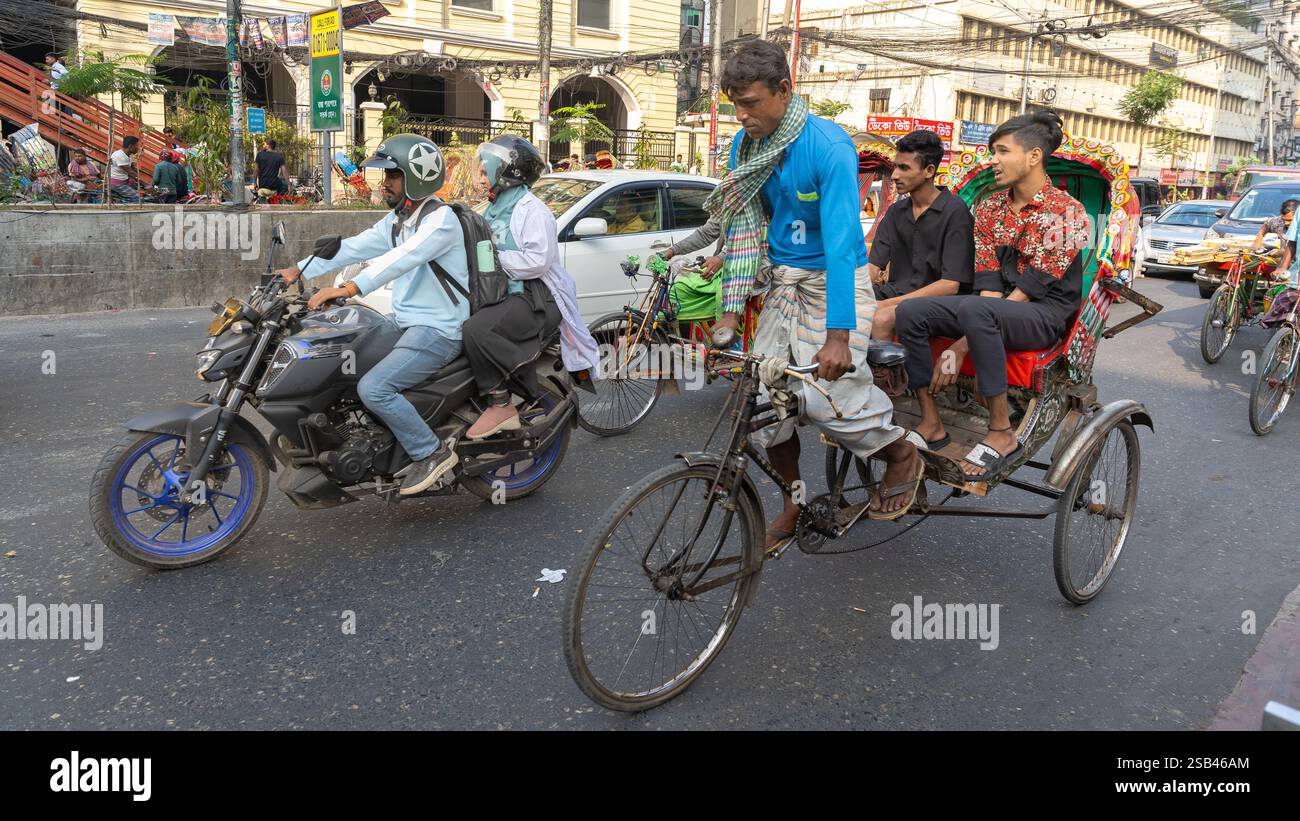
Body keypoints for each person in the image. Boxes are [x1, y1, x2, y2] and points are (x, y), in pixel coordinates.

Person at [706, 39, 917, 547]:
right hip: (782, 283)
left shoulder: (828, 146)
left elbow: (844, 245)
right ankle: (793, 501)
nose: (742, 115)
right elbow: (743, 230)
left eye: (751, 103)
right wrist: (729, 314)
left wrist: (839, 336)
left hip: (833, 285)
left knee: (827, 404)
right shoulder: (745, 147)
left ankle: (899, 452)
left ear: (784, 90)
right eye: (734, 104)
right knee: (765, 404)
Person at [894, 110, 1089, 480]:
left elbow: (1026, 293)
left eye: (1002, 151)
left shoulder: (1069, 214)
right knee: (911, 312)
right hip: (990, 307)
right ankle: (931, 421)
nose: (993, 160)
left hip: (1042, 314)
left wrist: (960, 346)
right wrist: (971, 320)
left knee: (976, 312)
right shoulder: (988, 208)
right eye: (992, 152)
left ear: (1033, 156)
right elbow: (987, 287)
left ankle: (1001, 431)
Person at [274, 134, 470, 495]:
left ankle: (429, 452)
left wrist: (349, 289)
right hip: (404, 320)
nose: (385, 184)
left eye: (392, 176)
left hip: (439, 329)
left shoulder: (440, 221)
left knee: (375, 388)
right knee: (341, 357)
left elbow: (401, 259)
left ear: (415, 177)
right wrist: (299, 269)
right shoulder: (400, 219)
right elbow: (355, 246)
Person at [461, 136, 602, 439]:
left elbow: (537, 261)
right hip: (503, 290)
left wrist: (491, 259)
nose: (480, 179)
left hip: (536, 295)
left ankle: (504, 399)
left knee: (477, 330)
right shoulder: (493, 207)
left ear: (506, 172)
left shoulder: (531, 210)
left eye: (486, 172)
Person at [866, 128, 975, 345]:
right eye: (896, 166)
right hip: (895, 293)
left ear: (929, 170)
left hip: (941, 303)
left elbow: (950, 285)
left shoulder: (955, 211)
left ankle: (885, 379)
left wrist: (886, 304)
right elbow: (873, 267)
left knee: (882, 318)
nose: (895, 174)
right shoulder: (897, 211)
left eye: (904, 168)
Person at [108, 136, 141, 203]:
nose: (138, 148)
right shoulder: (119, 155)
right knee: (137, 198)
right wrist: (146, 184)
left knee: (143, 193)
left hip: (125, 181)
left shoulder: (128, 155)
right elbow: (131, 172)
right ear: (130, 146)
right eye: (136, 146)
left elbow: (133, 169)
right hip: (116, 183)